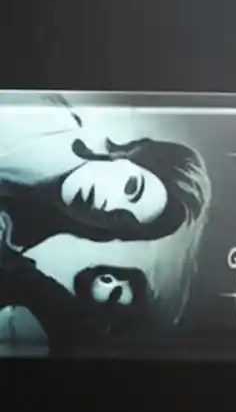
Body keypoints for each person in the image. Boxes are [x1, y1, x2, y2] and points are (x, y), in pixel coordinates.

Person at [0, 99, 212, 355]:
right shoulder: (40, 122)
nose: (108, 207)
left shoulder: (19, 233)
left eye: (121, 219)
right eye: (132, 188)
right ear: (126, 157)